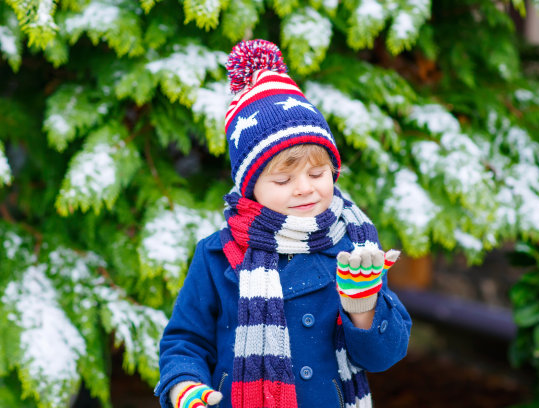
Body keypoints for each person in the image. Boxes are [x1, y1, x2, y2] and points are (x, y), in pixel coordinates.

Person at [155, 39, 411, 408]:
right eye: (283, 180)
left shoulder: (353, 248)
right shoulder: (217, 255)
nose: (304, 189)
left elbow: (382, 358)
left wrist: (363, 306)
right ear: (250, 186)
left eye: (318, 173)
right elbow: (186, 340)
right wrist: (184, 384)